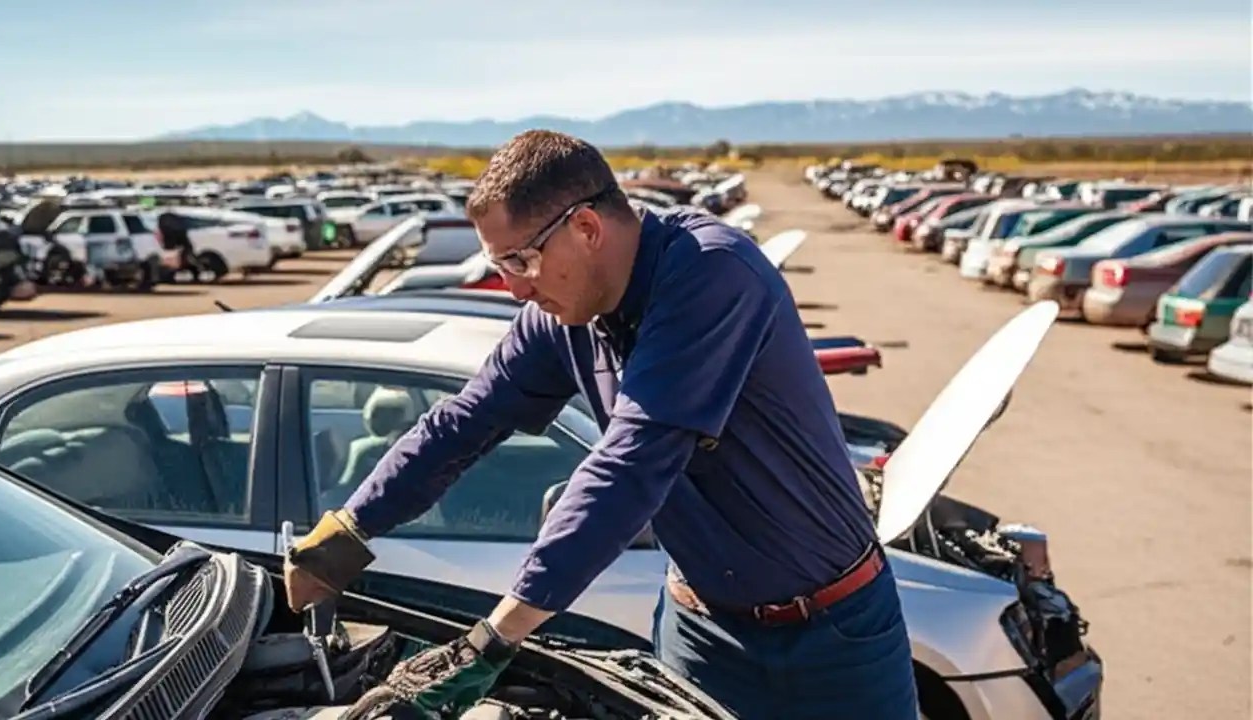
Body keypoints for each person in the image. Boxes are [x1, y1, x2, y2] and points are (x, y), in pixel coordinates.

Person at [285, 130, 920, 719]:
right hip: (701, 633)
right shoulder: (561, 320)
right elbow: (464, 421)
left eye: (520, 262)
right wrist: (345, 534)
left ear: (586, 227)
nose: (514, 291)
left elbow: (632, 461)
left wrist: (492, 640)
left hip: (835, 636)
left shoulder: (713, 274)